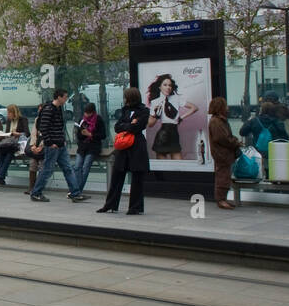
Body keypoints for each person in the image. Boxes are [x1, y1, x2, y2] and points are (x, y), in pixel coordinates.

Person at [99, 87, 150, 215]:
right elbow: (117, 127)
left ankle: (135, 207)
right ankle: (110, 204)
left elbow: (138, 127)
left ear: (131, 97)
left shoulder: (144, 111)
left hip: (137, 146)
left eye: (126, 96)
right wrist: (130, 125)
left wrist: (127, 126)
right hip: (123, 147)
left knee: (137, 178)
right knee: (117, 176)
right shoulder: (125, 110)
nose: (124, 99)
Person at [31, 90, 84, 203]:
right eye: (64, 97)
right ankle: (36, 192)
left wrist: (62, 140)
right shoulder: (49, 109)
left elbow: (58, 127)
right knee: (47, 169)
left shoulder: (58, 108)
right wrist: (50, 143)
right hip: (53, 146)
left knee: (67, 168)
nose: (66, 100)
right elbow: (43, 127)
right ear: (58, 97)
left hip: (60, 144)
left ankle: (75, 193)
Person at [147, 74, 199, 160]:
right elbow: (150, 124)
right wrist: (156, 115)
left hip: (174, 134)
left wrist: (181, 117)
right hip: (162, 135)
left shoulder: (176, 99)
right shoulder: (155, 102)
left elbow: (194, 108)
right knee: (162, 168)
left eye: (170, 85)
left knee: (179, 166)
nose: (168, 87)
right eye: (165, 85)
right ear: (159, 87)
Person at [207, 97, 241, 210]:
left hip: (224, 153)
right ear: (220, 107)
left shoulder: (219, 120)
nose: (227, 108)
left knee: (224, 175)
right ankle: (221, 199)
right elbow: (222, 138)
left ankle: (223, 198)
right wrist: (235, 142)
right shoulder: (216, 121)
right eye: (225, 105)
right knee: (223, 176)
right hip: (222, 154)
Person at [71, 102, 106, 199]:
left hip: (93, 147)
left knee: (85, 167)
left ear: (93, 112)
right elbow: (78, 135)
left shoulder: (98, 120)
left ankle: (77, 191)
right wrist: (83, 133)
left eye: (88, 113)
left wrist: (91, 135)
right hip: (82, 147)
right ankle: (76, 191)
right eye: (85, 113)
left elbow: (103, 135)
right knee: (77, 166)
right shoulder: (82, 120)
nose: (86, 115)